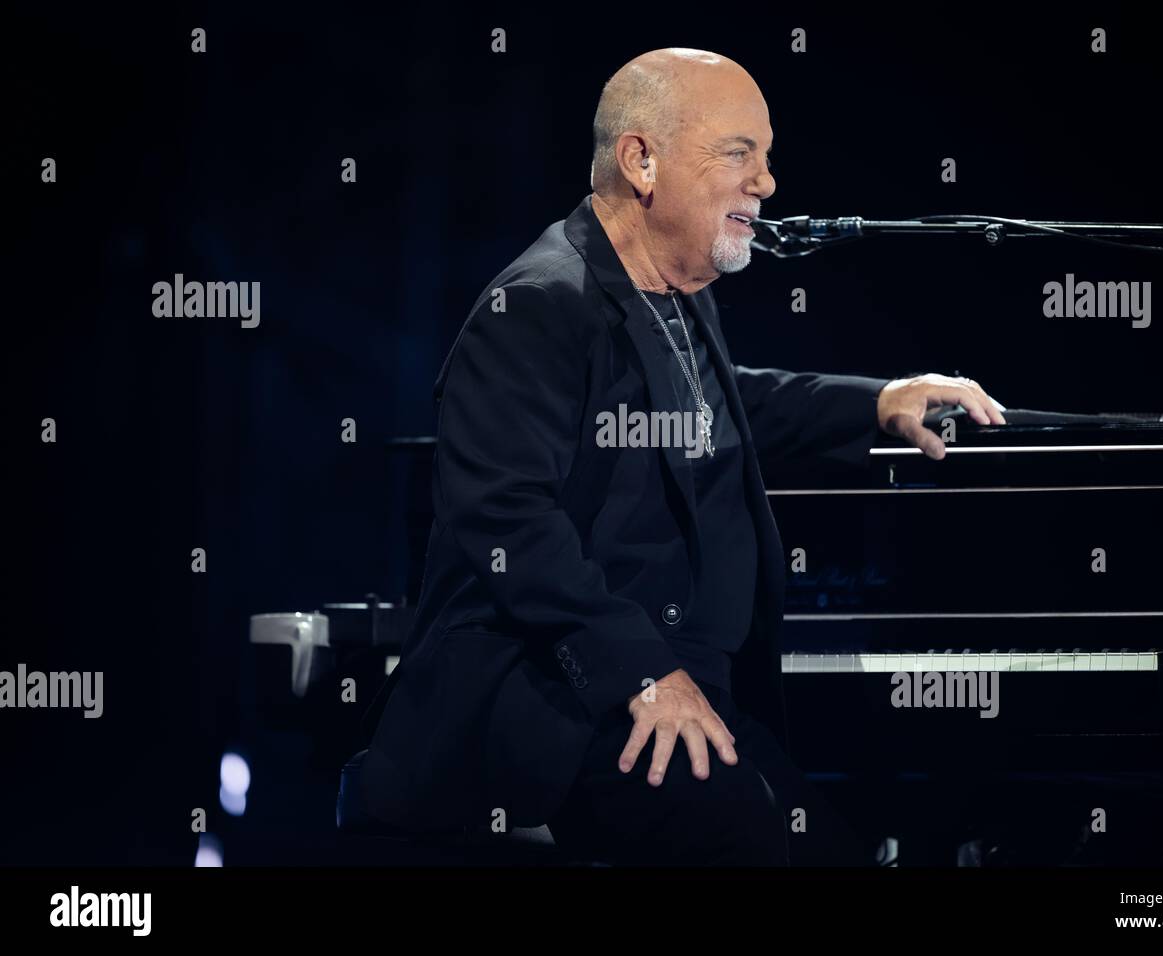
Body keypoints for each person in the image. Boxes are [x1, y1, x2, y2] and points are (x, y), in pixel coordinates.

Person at [359, 47, 1006, 865]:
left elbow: (724, 403)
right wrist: (641, 673)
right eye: (740, 154)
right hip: (570, 697)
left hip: (684, 685)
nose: (767, 183)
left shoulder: (668, 291)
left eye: (768, 157)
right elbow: (507, 520)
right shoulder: (536, 306)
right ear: (642, 159)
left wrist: (876, 399)